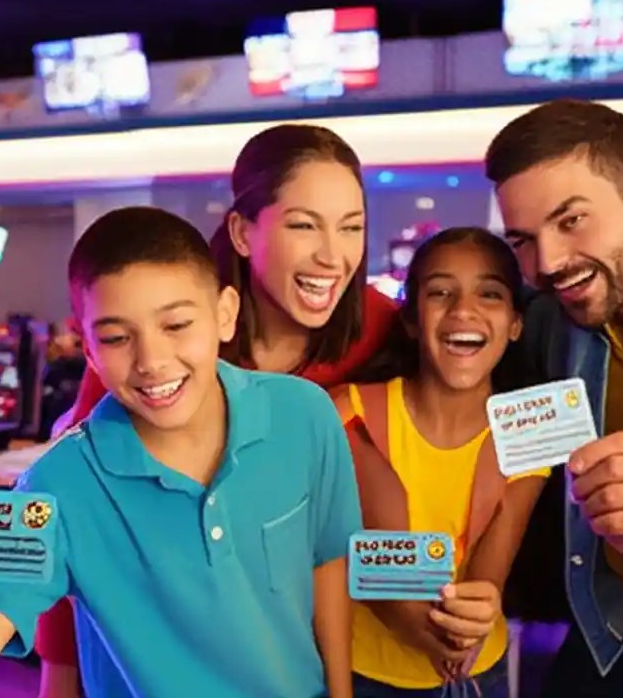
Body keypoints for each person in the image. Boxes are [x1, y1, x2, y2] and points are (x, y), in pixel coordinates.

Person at [0, 207, 362, 697]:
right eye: (117, 337)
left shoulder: (304, 414)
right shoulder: (54, 486)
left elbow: (328, 566)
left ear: (224, 315)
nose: (152, 361)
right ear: (88, 349)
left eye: (176, 325)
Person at [42, 123, 398, 696]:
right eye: (303, 225)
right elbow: (80, 526)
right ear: (240, 231)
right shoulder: (148, 357)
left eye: (351, 227)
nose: (332, 256)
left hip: (304, 654)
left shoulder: (380, 327)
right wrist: (58, 679)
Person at [487, 99, 623, 695]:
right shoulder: (550, 323)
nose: (549, 262)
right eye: (523, 240)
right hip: (608, 632)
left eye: (572, 220)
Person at [334, 228, 548, 696]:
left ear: (515, 323)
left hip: (475, 672)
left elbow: (491, 571)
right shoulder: (345, 413)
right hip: (360, 671)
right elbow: (337, 557)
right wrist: (420, 626)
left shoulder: (527, 431)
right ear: (411, 319)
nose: (463, 310)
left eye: (489, 294)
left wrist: (471, 620)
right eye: (440, 293)